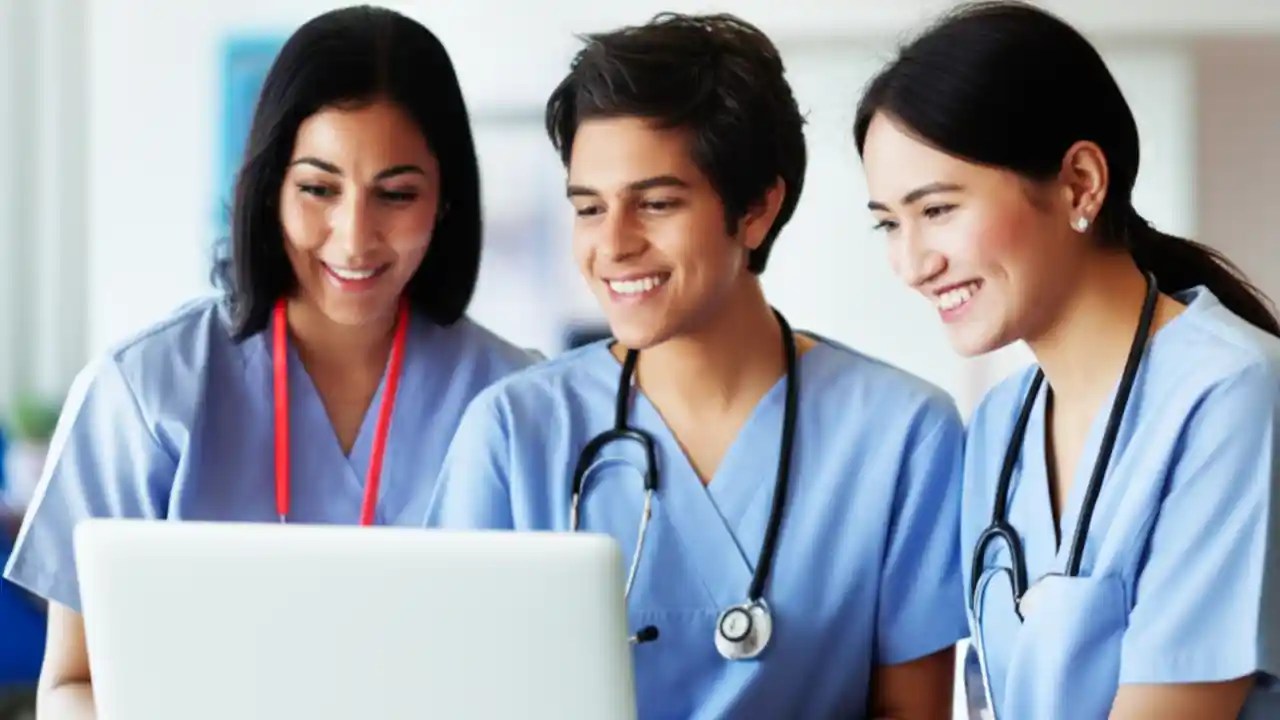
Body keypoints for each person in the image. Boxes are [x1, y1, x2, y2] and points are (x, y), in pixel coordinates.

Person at [427, 13, 966, 719]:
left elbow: (911, 711)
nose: (612, 244)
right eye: (589, 208)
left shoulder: (901, 435)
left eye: (654, 203)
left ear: (755, 209)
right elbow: (453, 693)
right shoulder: (514, 431)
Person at [3, 5, 537, 716]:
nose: (354, 238)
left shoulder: (520, 402)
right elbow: (73, 684)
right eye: (318, 188)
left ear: (444, 201)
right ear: (270, 188)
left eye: (397, 194)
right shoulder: (144, 391)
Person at [855, 2, 1280, 718]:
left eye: (937, 210)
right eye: (889, 223)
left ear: (1080, 182)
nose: (912, 263)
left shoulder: (1231, 393)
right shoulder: (999, 428)